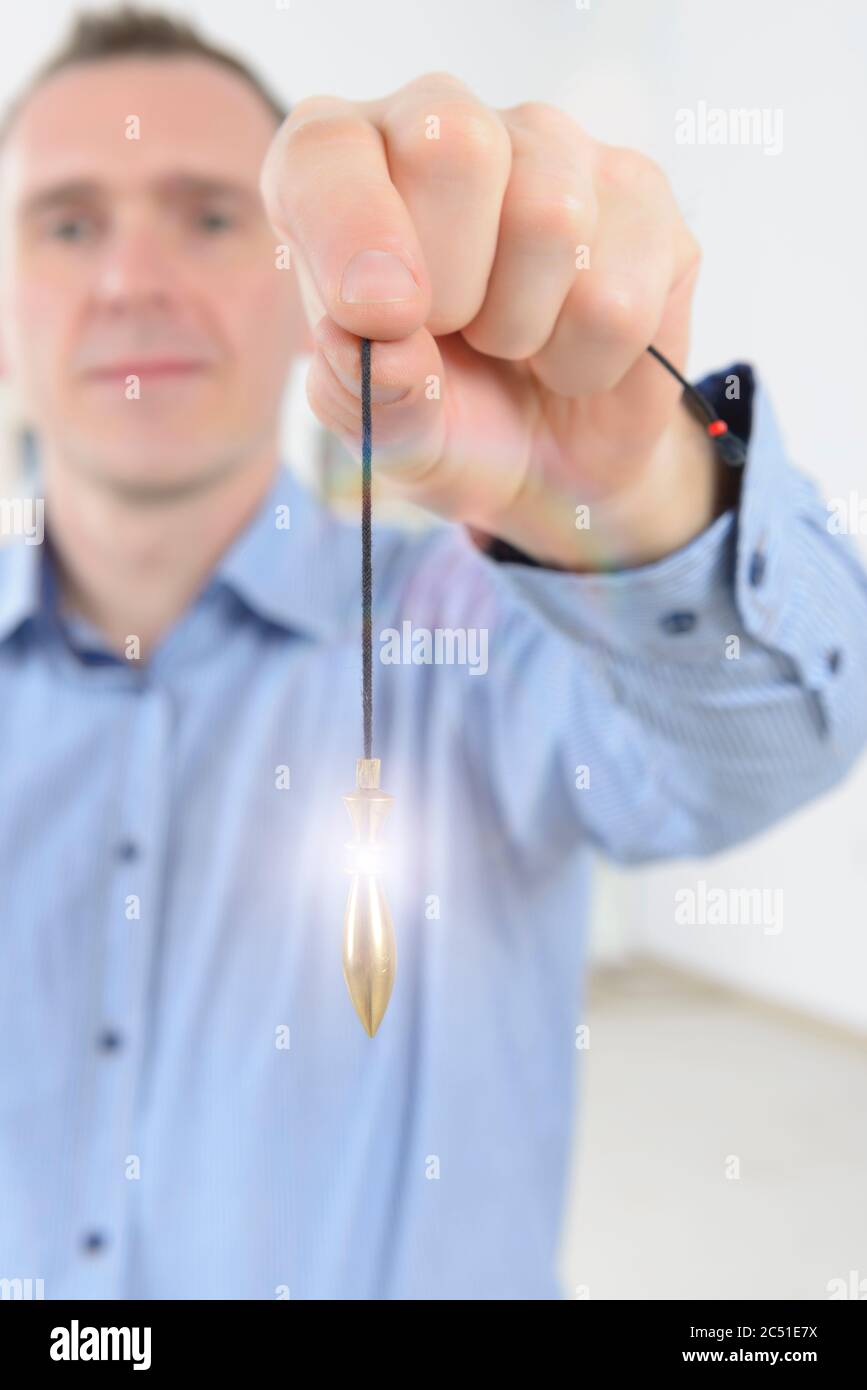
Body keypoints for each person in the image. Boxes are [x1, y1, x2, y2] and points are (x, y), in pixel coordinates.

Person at [0, 6, 864, 1302]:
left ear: (305, 281)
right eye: (69, 221)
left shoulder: (485, 623)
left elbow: (772, 740)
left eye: (210, 215)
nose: (133, 280)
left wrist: (628, 502)